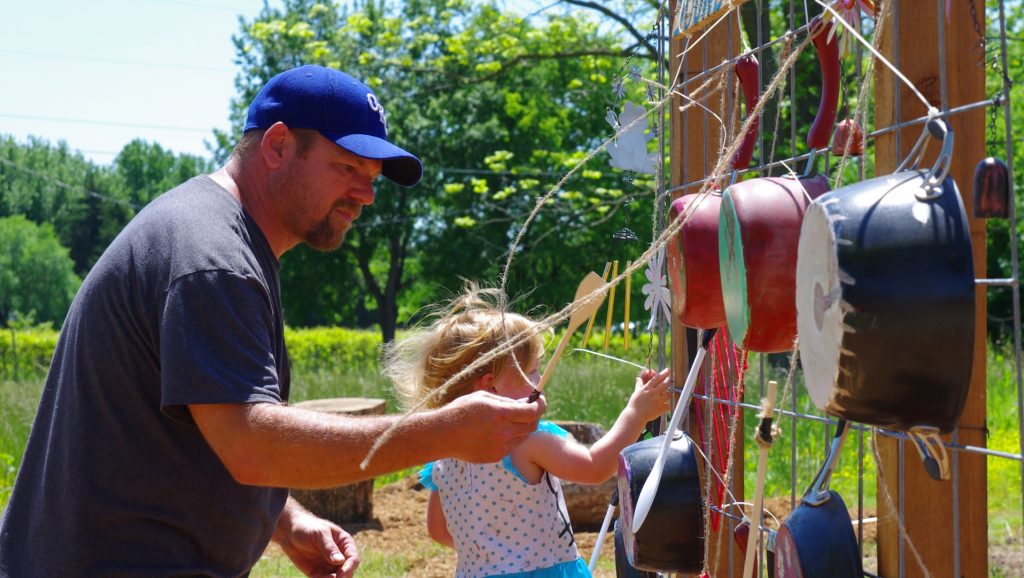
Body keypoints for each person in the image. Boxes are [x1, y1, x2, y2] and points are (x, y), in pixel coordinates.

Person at [0, 65, 546, 578]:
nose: (367, 194)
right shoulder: (213, 258)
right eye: (349, 168)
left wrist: (284, 520)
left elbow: (204, 429)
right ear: (279, 145)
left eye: (373, 176)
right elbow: (251, 443)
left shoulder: (218, 239)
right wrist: (443, 431)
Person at [383, 285, 671, 578]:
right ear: (490, 386)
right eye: (532, 371)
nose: (540, 380)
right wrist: (637, 412)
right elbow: (596, 467)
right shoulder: (525, 438)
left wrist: (495, 554)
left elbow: (438, 530)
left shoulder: (444, 453)